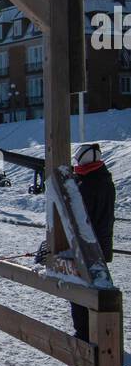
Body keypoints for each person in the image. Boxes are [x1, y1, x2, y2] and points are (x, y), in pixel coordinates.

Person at [70, 143, 116, 342]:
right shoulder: (102, 179)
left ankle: (86, 334)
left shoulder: (89, 184)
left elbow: (80, 216)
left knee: (81, 288)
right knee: (94, 288)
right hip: (98, 244)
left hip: (88, 246)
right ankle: (98, 333)